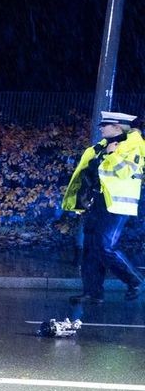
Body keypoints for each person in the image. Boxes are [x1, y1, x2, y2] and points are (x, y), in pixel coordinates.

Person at [63, 111, 145, 303]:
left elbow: (124, 171)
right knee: (91, 248)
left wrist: (112, 155)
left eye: (105, 125)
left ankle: (135, 280)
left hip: (117, 205)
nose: (100, 128)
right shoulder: (100, 147)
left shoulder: (133, 147)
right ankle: (92, 293)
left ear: (117, 127)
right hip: (97, 204)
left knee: (105, 246)